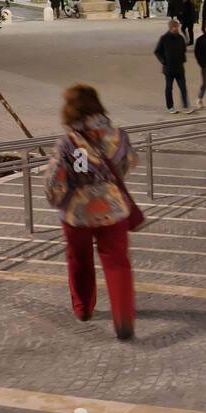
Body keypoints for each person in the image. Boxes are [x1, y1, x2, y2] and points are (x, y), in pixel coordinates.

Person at [43, 85, 138, 340]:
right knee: (117, 263)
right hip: (113, 209)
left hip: (77, 213)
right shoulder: (118, 135)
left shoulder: (68, 142)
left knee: (80, 261)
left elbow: (55, 181)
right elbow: (129, 163)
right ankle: (124, 320)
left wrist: (59, 198)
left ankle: (84, 308)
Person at [154, 19, 192, 114]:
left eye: (177, 27)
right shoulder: (164, 38)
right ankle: (170, 107)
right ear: (170, 28)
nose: (176, 29)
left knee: (183, 87)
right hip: (169, 69)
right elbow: (157, 51)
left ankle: (186, 106)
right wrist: (164, 61)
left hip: (179, 68)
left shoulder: (180, 38)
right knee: (169, 88)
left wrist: (183, 59)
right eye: (174, 27)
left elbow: (183, 49)